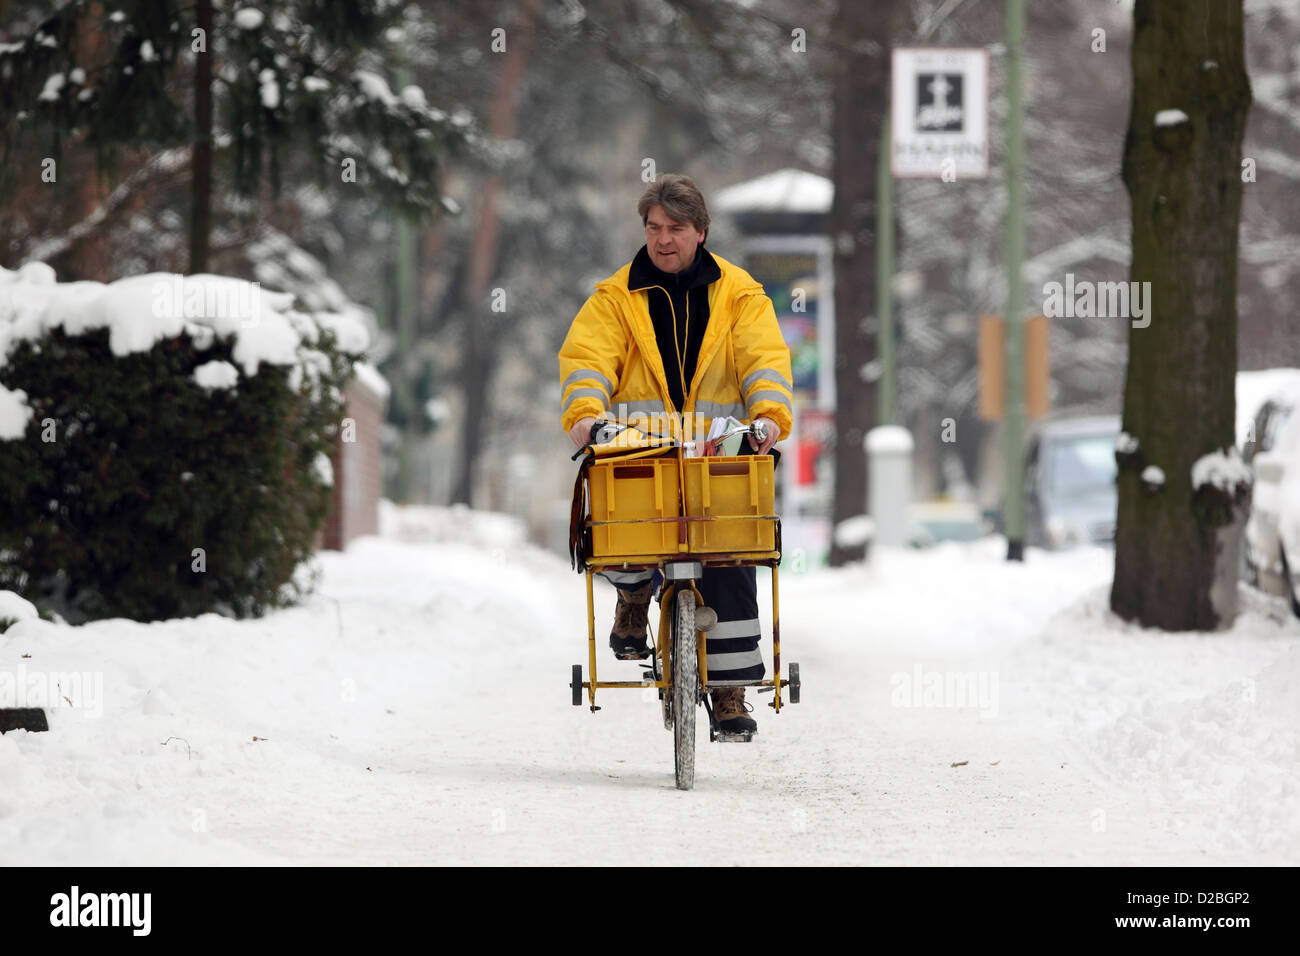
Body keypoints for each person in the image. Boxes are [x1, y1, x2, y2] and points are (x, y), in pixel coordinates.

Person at [558, 173, 793, 735]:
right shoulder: (615, 297)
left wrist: (768, 419)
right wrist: (586, 416)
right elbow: (589, 360)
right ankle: (635, 596)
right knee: (623, 525)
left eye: (676, 229)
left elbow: (763, 361)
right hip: (644, 450)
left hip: (718, 458)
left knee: (732, 561)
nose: (663, 239)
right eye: (654, 227)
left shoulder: (741, 295)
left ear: (701, 232)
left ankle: (731, 691)